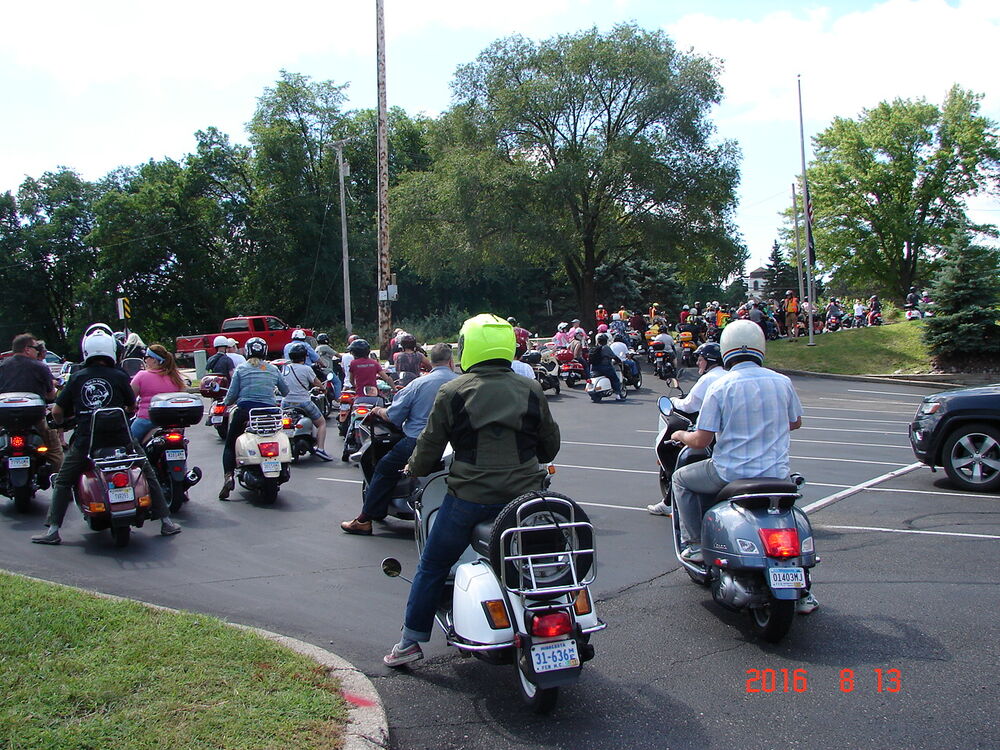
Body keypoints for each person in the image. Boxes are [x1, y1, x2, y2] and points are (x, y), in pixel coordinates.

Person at [382, 314, 560, 666]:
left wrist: (412, 468)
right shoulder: (530, 388)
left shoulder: (453, 391)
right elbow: (549, 447)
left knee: (432, 565)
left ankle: (410, 642)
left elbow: (430, 446)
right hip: (524, 499)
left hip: (469, 499)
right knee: (540, 560)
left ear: (468, 348)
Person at [667, 320, 816, 614]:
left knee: (681, 479)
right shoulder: (781, 381)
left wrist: (679, 434)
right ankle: (803, 588)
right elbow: (795, 422)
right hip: (777, 475)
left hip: (730, 473)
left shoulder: (721, 385)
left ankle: (695, 544)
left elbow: (700, 440)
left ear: (726, 351)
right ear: (760, 347)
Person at [30, 329, 181, 544]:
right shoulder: (119, 375)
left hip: (87, 441)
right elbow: (131, 405)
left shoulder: (77, 377)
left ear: (86, 351)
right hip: (122, 439)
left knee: (63, 480)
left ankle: (53, 530)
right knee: (147, 471)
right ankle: (166, 521)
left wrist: (63, 421)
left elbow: (57, 411)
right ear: (112, 350)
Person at [341, 343, 459, 535]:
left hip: (418, 443)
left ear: (432, 361)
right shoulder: (461, 382)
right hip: (456, 445)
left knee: (384, 468)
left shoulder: (418, 384)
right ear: (451, 361)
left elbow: (394, 415)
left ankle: (364, 520)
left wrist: (378, 410)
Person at [647, 342, 726, 516]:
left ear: (709, 360)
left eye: (700, 358)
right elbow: (794, 422)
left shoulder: (710, 378)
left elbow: (690, 406)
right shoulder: (729, 376)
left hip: (724, 459)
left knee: (680, 476)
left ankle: (687, 535)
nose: (698, 362)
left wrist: (674, 403)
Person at [218, 337, 290, 500]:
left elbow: (231, 396)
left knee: (230, 444)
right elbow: (285, 391)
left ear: (248, 351)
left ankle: (228, 476)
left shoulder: (241, 369)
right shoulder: (272, 369)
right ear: (264, 351)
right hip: (271, 414)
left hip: (245, 412)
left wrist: (226, 402)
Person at [0, 333, 63, 486]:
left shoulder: (2, 366)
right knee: (54, 449)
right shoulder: (39, 366)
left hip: (5, 418)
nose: (37, 351)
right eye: (35, 348)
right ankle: (62, 486)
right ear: (27, 349)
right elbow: (50, 395)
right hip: (35, 418)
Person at [280, 344, 334, 461]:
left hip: (286, 403)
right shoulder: (306, 369)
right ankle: (320, 449)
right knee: (321, 423)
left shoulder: (285, 368)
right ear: (304, 357)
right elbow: (316, 382)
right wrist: (324, 389)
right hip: (303, 402)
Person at [128, 345, 187, 444]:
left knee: (129, 444)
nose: (145, 360)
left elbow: (129, 398)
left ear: (154, 360)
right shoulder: (175, 378)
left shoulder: (141, 376)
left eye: (146, 357)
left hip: (146, 419)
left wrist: (128, 407)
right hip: (172, 422)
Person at [589, 333, 626, 401]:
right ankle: (618, 395)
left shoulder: (594, 348)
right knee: (615, 379)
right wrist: (619, 361)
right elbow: (614, 356)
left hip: (594, 367)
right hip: (605, 367)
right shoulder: (606, 348)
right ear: (606, 341)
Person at [314, 333, 342, 399]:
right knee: (337, 382)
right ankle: (338, 399)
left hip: (319, 371)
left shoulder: (317, 348)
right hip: (327, 370)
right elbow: (337, 354)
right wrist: (343, 358)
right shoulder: (325, 347)